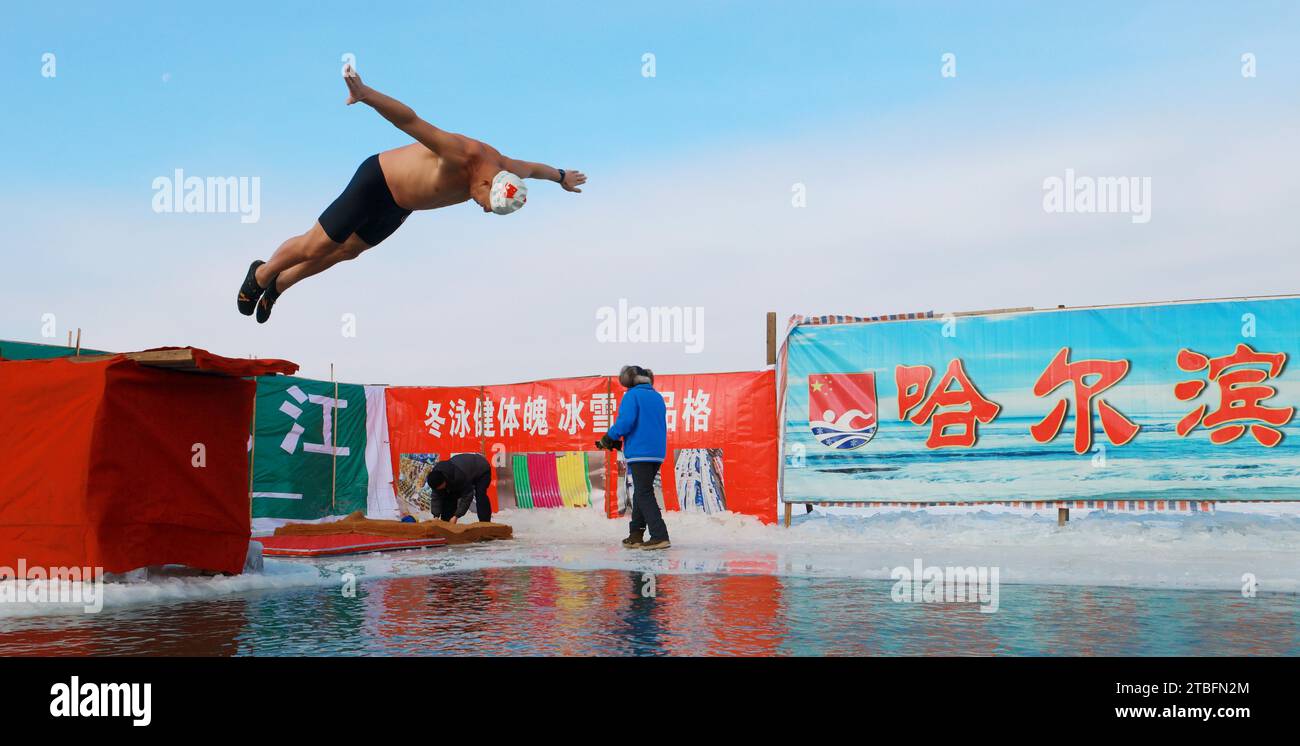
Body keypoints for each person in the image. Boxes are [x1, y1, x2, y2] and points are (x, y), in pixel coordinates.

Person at [236, 64, 587, 323]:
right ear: (485, 185)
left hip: (401, 206)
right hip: (376, 181)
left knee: (347, 252)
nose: (482, 210)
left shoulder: (508, 168)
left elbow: (534, 168)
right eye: (486, 204)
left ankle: (281, 284)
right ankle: (263, 273)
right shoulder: (461, 153)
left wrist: (560, 177)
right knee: (319, 244)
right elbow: (410, 120)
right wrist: (367, 94)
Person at [596, 365, 669, 550]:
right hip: (656, 453)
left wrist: (608, 438)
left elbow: (625, 422)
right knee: (641, 491)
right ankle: (635, 534)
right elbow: (647, 426)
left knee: (643, 493)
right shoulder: (656, 396)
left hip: (640, 452)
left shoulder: (632, 396)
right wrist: (619, 442)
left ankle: (659, 535)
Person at [426, 453, 494, 524]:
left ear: (444, 481)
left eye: (440, 487)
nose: (439, 489)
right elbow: (436, 497)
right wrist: (436, 516)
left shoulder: (459, 477)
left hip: (481, 469)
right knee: (449, 496)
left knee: (480, 495)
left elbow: (467, 496)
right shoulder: (435, 478)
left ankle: (485, 524)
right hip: (465, 470)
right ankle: (447, 523)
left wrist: (456, 516)